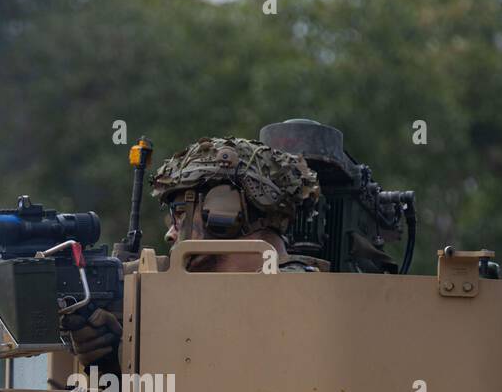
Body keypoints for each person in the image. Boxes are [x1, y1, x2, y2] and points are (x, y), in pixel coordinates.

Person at [63, 136, 321, 365]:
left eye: (180, 214)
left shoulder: (297, 294)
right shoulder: (219, 298)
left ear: (225, 212)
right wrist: (108, 360)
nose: (170, 233)